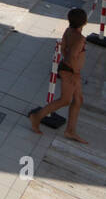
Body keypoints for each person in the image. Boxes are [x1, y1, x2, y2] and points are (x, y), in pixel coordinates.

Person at [29, 8, 89, 143]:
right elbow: (72, 56)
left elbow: (63, 49)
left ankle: (70, 131)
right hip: (71, 72)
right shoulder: (80, 39)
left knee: (78, 100)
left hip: (71, 71)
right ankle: (37, 117)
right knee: (65, 100)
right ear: (84, 22)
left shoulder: (69, 31)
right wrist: (73, 74)